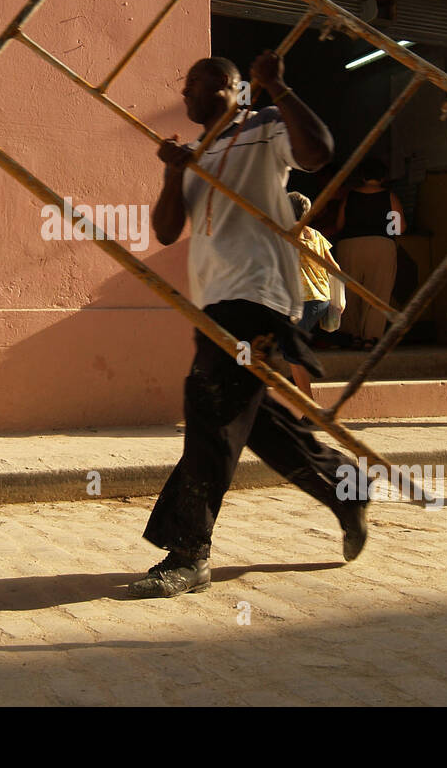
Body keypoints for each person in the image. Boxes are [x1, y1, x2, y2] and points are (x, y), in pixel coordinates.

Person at [130, 52, 370, 598]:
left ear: (237, 91)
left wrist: (280, 89)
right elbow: (167, 232)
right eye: (187, 84)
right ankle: (344, 488)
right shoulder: (193, 154)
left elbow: (320, 152)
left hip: (261, 297)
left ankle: (190, 550)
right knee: (248, 419)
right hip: (212, 302)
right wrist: (173, 175)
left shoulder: (264, 129)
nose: (191, 93)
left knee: (211, 408)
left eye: (207, 85)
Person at [334, 157, 405, 349]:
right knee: (378, 292)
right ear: (383, 177)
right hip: (381, 245)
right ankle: (370, 337)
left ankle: (352, 335)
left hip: (350, 246)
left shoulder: (350, 196)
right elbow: (399, 227)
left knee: (350, 291)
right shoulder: (389, 196)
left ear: (362, 176)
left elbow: (339, 224)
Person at [286, 190, 341, 401]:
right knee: (292, 346)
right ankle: (298, 378)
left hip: (304, 300)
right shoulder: (315, 234)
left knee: (293, 350)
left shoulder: (285, 234)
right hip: (321, 299)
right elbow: (334, 267)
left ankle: (308, 404)